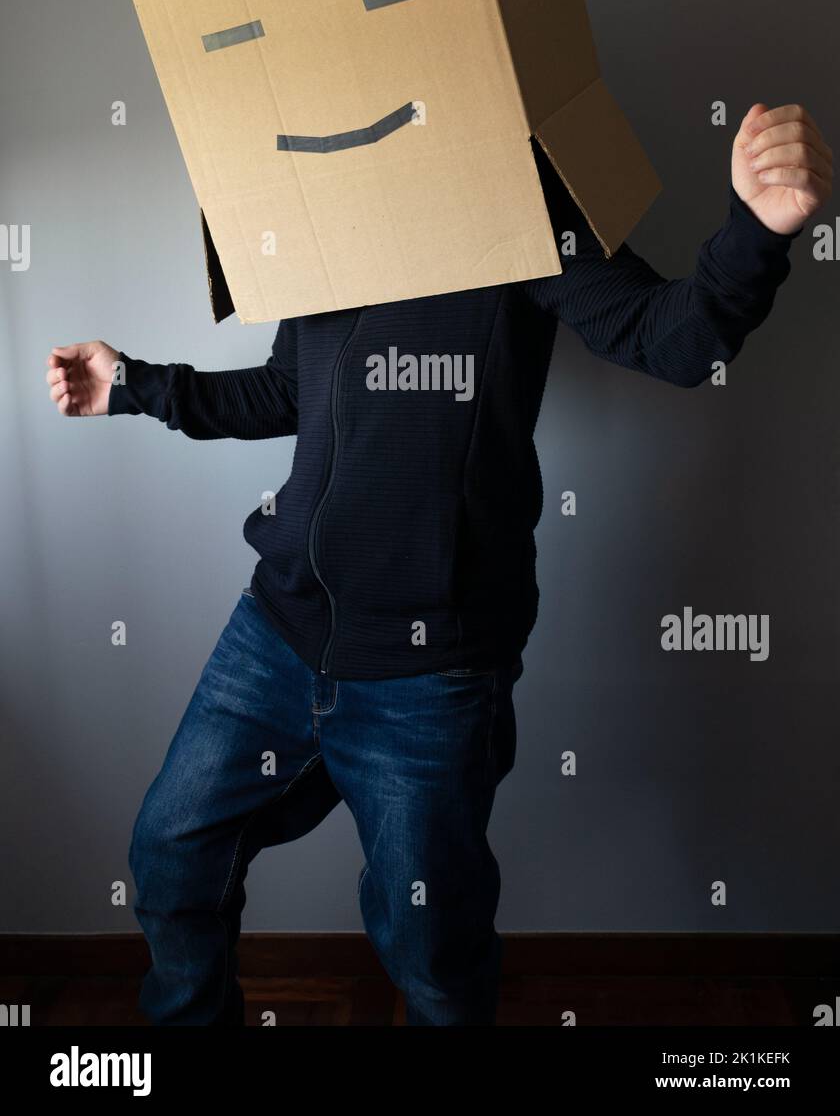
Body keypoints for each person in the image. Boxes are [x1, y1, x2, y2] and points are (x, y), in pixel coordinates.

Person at [45, 103, 832, 1026]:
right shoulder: (319, 198)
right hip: (280, 632)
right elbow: (291, 388)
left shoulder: (521, 193)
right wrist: (138, 385)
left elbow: (670, 336)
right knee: (172, 856)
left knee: (432, 956)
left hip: (432, 674)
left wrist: (756, 229)